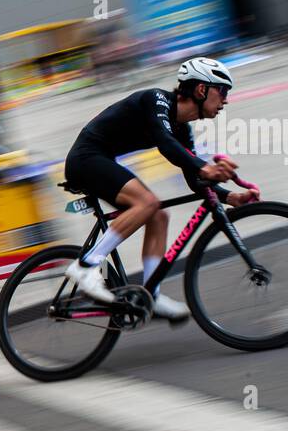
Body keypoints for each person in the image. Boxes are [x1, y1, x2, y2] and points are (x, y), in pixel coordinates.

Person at [62, 57, 256, 321]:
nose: (225, 100)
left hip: (102, 160)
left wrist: (230, 197)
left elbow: (193, 178)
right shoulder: (157, 100)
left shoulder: (182, 130)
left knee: (158, 215)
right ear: (201, 90)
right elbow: (165, 143)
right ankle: (86, 266)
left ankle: (151, 295)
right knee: (147, 203)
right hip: (85, 159)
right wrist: (204, 167)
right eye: (222, 91)